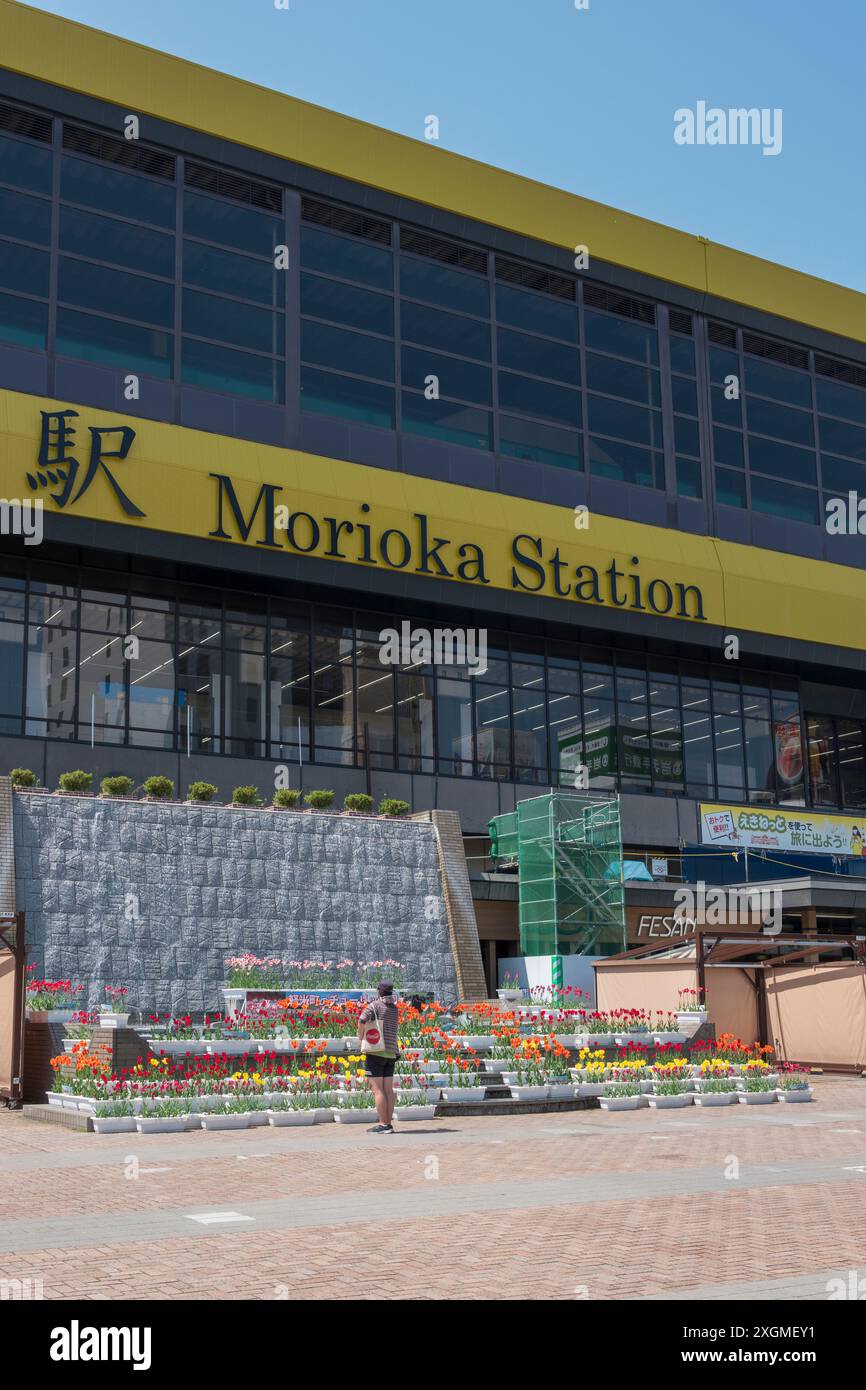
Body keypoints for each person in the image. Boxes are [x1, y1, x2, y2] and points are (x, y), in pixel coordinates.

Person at [358, 980, 399, 1133]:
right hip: (391, 1053)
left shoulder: (374, 1006)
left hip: (376, 1051)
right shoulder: (394, 1009)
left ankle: (383, 1124)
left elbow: (362, 1020)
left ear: (379, 991)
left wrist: (360, 1037)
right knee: (388, 1090)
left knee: (378, 1090)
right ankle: (388, 1124)